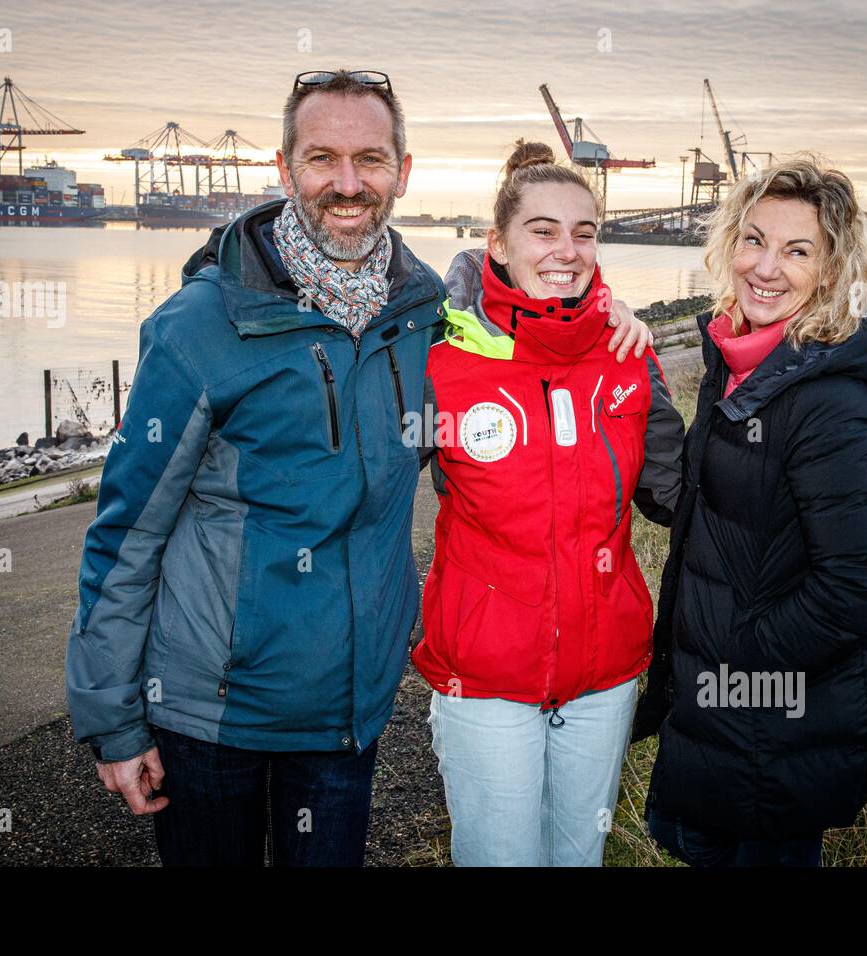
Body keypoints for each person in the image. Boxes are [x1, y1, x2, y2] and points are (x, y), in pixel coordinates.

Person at [64, 71, 652, 866]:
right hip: (211, 713)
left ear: (402, 172)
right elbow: (126, 533)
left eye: (370, 159)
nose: (348, 183)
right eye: (322, 159)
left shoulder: (421, 320)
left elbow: (520, 330)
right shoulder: (199, 326)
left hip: (345, 713)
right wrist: (115, 720)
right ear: (284, 167)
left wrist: (607, 315)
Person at [630, 156, 867, 867]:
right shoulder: (745, 355)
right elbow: (709, 502)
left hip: (769, 726)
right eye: (754, 240)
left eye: (797, 250)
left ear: (833, 270)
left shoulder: (827, 397)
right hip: (733, 719)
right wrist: (625, 377)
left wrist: (734, 655)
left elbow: (857, 586)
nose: (766, 267)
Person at [412, 140, 685, 866]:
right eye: (543, 230)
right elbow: (358, 492)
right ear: (497, 244)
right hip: (487, 679)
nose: (567, 249)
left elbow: (679, 494)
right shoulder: (441, 359)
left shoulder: (628, 354)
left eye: (584, 231)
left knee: (578, 858)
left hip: (606, 676)